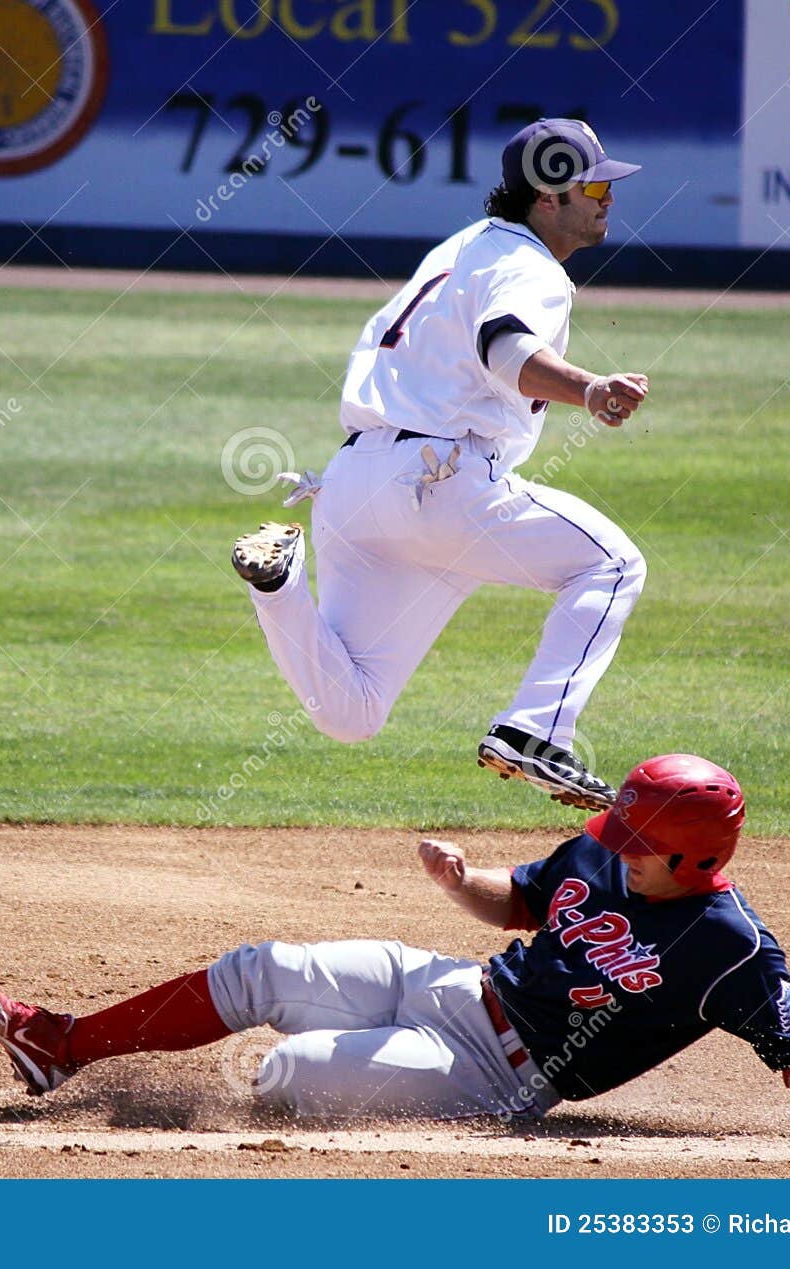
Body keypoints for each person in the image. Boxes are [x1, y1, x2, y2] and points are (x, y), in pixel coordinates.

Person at [0, 755, 790, 1133]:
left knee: (288, 1071)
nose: (614, 847)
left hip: (499, 1074)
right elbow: (522, 902)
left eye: (636, 842)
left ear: (696, 858)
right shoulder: (603, 850)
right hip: (450, 985)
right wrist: (459, 880)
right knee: (261, 968)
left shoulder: (726, 945)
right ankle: (60, 1045)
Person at [231, 119, 656, 810]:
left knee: (351, 711)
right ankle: (536, 731)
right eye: (595, 187)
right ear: (547, 197)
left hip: (353, 484)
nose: (609, 199)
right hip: (443, 482)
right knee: (612, 565)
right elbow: (504, 350)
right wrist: (588, 390)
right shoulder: (531, 267)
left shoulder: (462, 248)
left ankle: (278, 587)